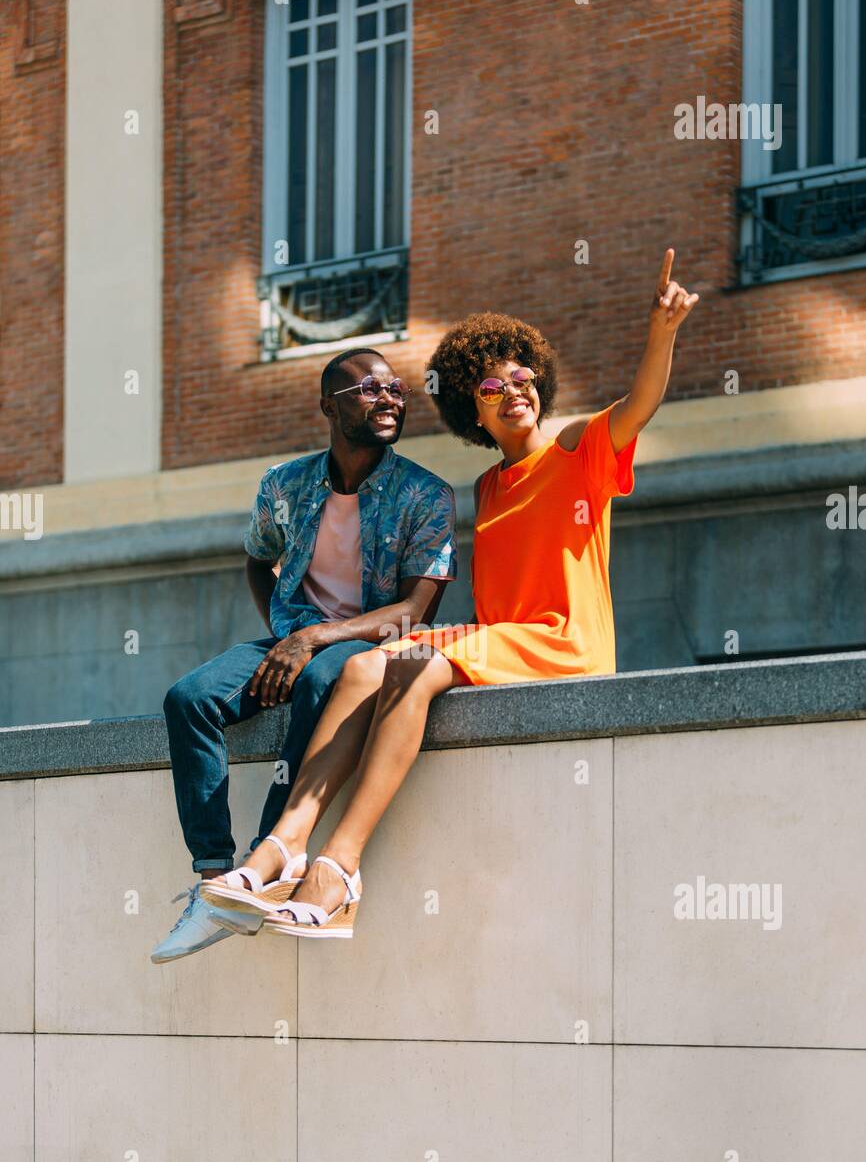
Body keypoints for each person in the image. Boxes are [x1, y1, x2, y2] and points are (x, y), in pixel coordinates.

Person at [199, 249, 698, 939]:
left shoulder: (579, 449)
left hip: (562, 642)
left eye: (523, 376)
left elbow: (639, 404)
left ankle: (339, 869)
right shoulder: (488, 488)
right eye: (494, 385)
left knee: (405, 662)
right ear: (475, 410)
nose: (514, 389)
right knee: (369, 662)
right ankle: (282, 846)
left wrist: (663, 331)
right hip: (500, 639)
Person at [150, 347, 458, 962]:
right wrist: (286, 629)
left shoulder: (427, 494)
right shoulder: (282, 484)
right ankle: (214, 880)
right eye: (370, 389)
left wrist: (313, 639)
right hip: (294, 638)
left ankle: (268, 861)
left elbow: (414, 614)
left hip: (365, 647)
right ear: (329, 405)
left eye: (396, 389)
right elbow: (257, 557)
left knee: (320, 679)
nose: (391, 398)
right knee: (188, 699)